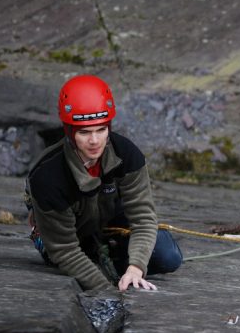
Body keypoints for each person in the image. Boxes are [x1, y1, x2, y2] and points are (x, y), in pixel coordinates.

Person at [24, 74, 182, 291]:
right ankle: (98, 259)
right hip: (70, 235)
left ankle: (110, 259)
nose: (94, 141)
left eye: (101, 130)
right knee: (72, 261)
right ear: (69, 131)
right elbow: (65, 250)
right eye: (84, 132)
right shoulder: (48, 177)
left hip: (110, 222)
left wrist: (135, 269)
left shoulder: (126, 154)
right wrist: (106, 290)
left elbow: (143, 218)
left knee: (167, 255)